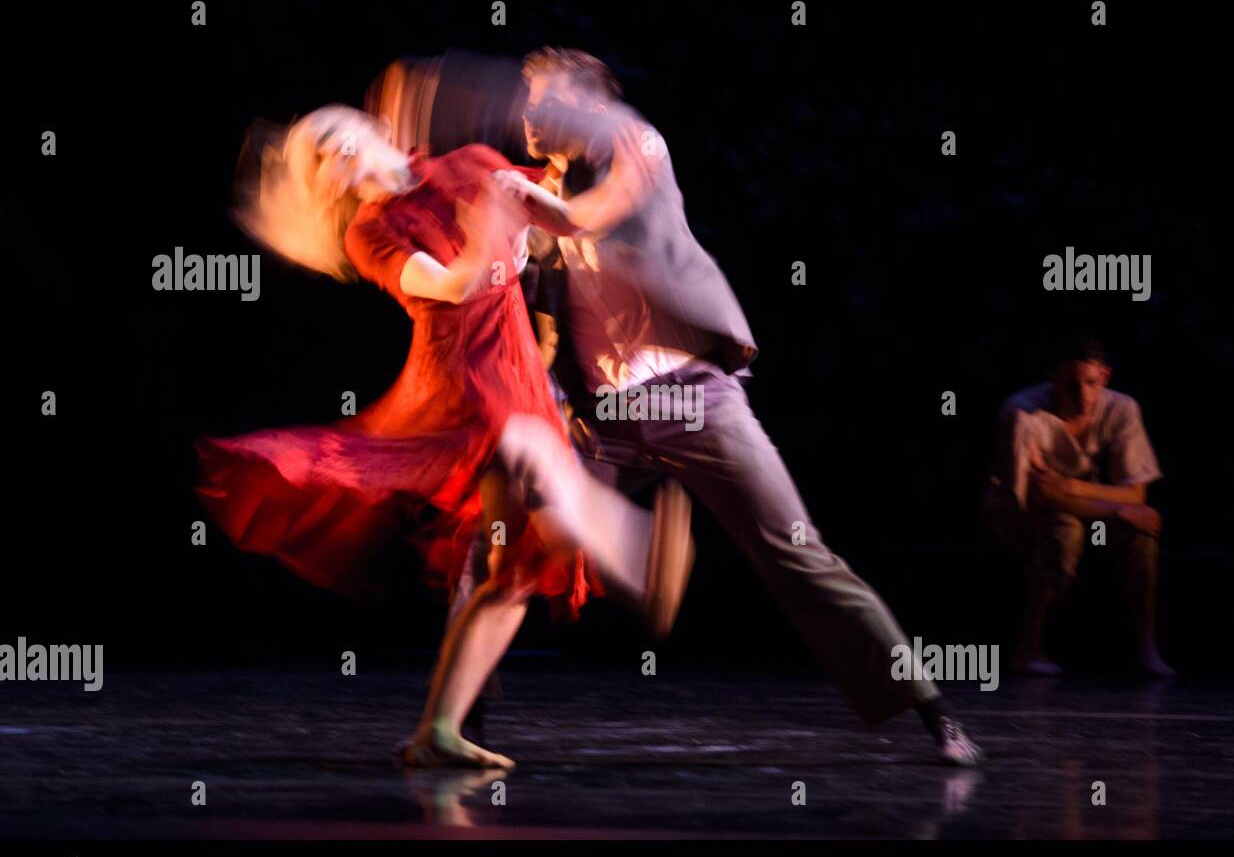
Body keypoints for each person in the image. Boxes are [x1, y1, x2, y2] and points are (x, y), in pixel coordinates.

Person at [481, 48, 983, 766]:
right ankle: (460, 718)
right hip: (608, 415)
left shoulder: (635, 141)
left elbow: (583, 217)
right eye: (523, 99)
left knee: (800, 555)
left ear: (588, 102)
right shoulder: (539, 186)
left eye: (542, 97)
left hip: (692, 397)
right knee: (504, 524)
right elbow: (539, 315)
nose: (525, 112)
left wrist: (523, 208)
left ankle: (931, 711)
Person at [195, 105, 693, 769]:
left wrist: (610, 172)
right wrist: (493, 233)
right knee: (531, 459)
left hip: (516, 371)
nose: (336, 152)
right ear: (326, 187)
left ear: (371, 128)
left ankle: (438, 731)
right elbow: (455, 287)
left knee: (510, 571)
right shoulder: (370, 235)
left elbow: (560, 220)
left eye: (337, 134)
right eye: (320, 158)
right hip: (459, 386)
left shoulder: (471, 165)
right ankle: (634, 554)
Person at [981, 337, 1174, 677]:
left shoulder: (1121, 409)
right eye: (1072, 384)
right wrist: (1114, 508)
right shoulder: (1023, 413)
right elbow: (1039, 497)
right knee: (1064, 529)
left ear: (1106, 376)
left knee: (1139, 531)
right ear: (1053, 379)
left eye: (1092, 383)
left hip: (1085, 510)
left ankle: (1146, 645)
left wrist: (1071, 487)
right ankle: (1029, 646)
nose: (1084, 395)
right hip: (1021, 512)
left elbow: (1137, 493)